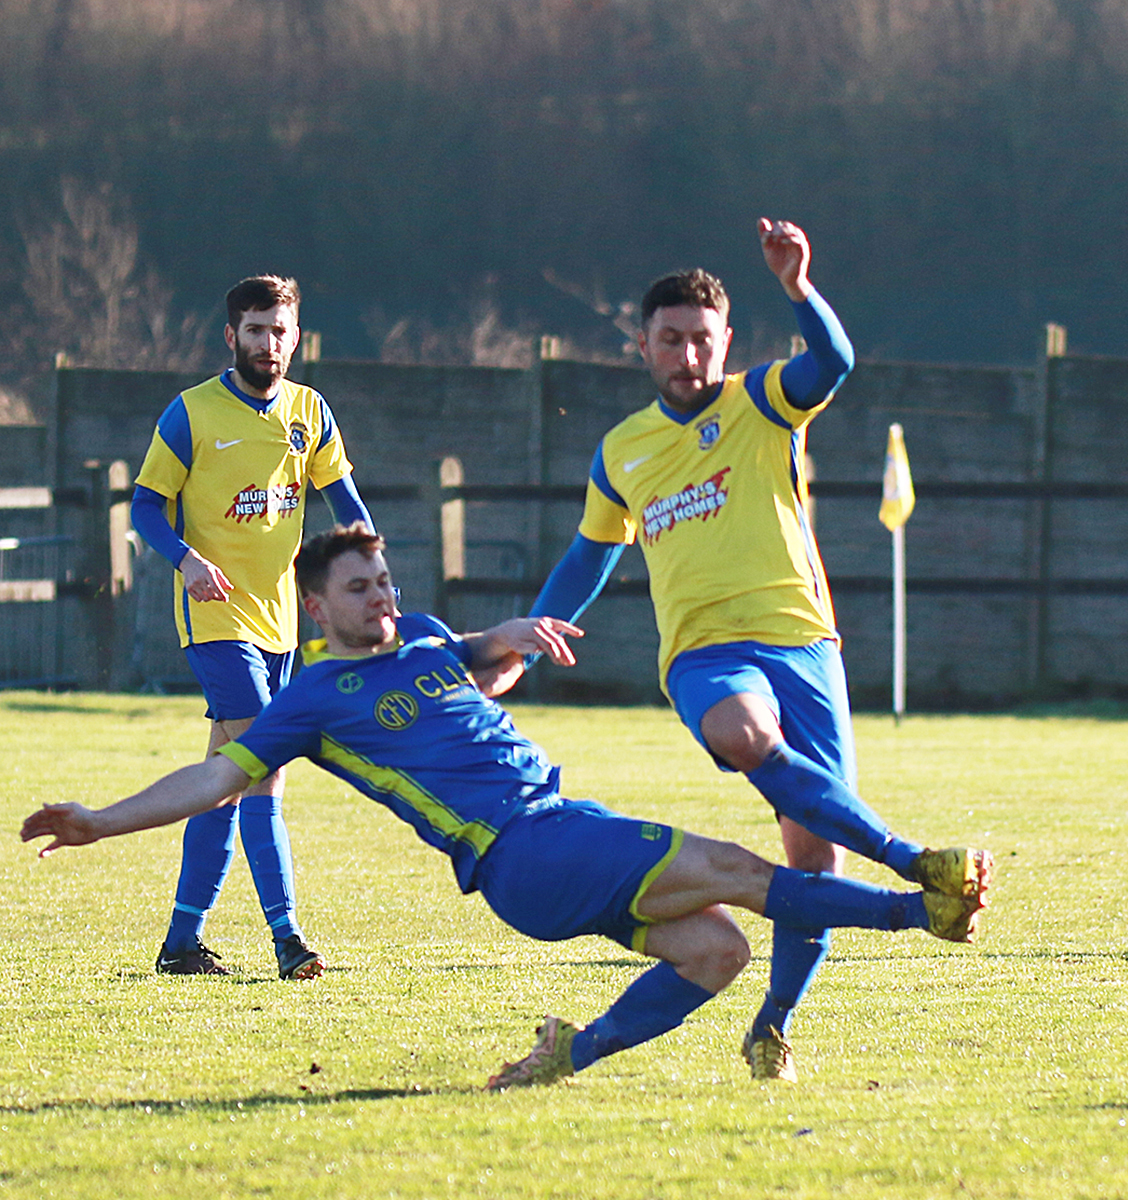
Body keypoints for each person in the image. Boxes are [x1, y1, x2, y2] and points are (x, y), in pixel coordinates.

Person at [20, 524, 991, 1090]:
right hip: (525, 849)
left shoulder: (428, 642)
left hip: (559, 832)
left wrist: (513, 635)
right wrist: (102, 820)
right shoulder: (311, 700)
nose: (382, 596)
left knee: (717, 952)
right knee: (741, 871)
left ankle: (570, 1054)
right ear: (317, 609)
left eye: (386, 579)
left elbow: (482, 652)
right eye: (359, 588)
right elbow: (215, 780)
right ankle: (923, 905)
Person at [528, 218, 991, 1081]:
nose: (688, 355)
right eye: (671, 340)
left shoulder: (762, 400)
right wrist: (535, 628)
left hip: (805, 643)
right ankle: (912, 862)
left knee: (813, 862)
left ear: (725, 342)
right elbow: (592, 551)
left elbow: (836, 366)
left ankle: (772, 1024)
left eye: (703, 340)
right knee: (744, 735)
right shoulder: (621, 450)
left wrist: (799, 289)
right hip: (705, 654)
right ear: (643, 345)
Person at [129, 275, 374, 980]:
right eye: (257, 330)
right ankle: (288, 939)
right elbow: (146, 505)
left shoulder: (309, 411)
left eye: (282, 331)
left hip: (280, 622)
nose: (271, 343)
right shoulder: (191, 413)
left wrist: (368, 568)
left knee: (224, 782)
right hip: (215, 618)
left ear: (297, 338)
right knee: (266, 765)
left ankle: (181, 943)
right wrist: (186, 559)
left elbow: (343, 498)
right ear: (231, 336)